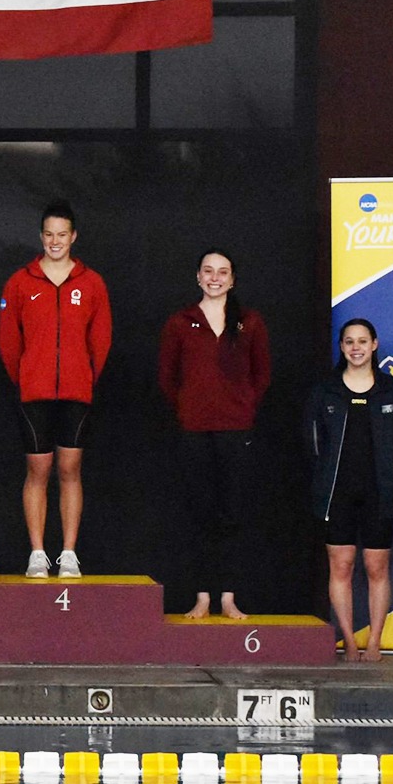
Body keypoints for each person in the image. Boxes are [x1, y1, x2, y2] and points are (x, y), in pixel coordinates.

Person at [0, 200, 111, 578]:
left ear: (73, 236)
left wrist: (84, 376)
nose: (55, 241)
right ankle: (37, 553)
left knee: (70, 468)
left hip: (77, 392)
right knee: (38, 469)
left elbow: (101, 340)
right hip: (34, 391)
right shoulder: (20, 282)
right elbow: (7, 340)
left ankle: (69, 553)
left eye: (62, 235)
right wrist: (27, 374)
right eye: (49, 235)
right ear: (41, 236)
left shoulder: (91, 283)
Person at [158, 249, 271, 619]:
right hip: (194, 430)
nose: (215, 278)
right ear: (198, 277)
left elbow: (262, 375)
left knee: (232, 515)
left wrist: (242, 407)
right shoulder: (180, 322)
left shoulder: (250, 322)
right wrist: (189, 408)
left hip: (236, 430)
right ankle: (203, 596)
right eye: (208, 271)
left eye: (223, 272)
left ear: (233, 280)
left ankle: (229, 597)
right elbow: (167, 377)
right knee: (200, 515)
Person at [307, 318, 393, 662]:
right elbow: (314, 443)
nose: (356, 348)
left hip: (379, 493)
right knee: (341, 566)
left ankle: (375, 642)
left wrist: (390, 480)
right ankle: (350, 643)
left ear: (374, 345)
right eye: (349, 341)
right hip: (336, 494)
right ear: (341, 347)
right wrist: (325, 479)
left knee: (376, 567)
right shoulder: (325, 391)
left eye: (362, 341)